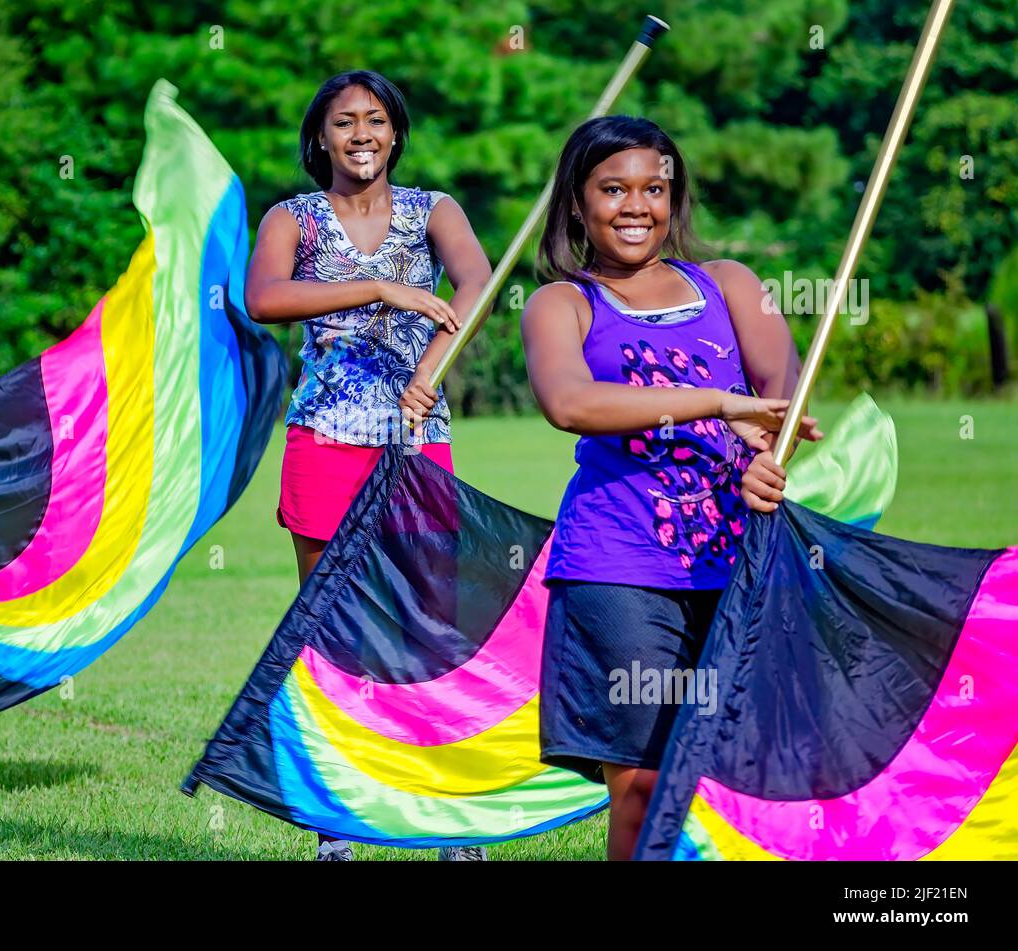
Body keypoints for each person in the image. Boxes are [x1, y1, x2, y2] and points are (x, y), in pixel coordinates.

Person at [520, 116, 822, 860]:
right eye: (613, 188)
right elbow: (573, 403)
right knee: (643, 784)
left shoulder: (731, 284)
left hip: (741, 567)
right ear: (577, 203)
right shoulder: (561, 303)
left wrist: (768, 457)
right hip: (618, 569)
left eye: (654, 188)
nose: (636, 206)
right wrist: (717, 402)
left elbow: (784, 401)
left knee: (744, 778)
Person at [245, 70, 492, 860]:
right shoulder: (293, 217)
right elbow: (265, 299)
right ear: (321, 136)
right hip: (324, 437)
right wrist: (383, 285)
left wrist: (431, 367)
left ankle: (447, 816)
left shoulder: (434, 210)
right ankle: (337, 818)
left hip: (419, 435)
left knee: (430, 626)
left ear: (395, 132)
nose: (361, 134)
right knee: (328, 626)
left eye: (376, 120)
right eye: (344, 121)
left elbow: (478, 283)